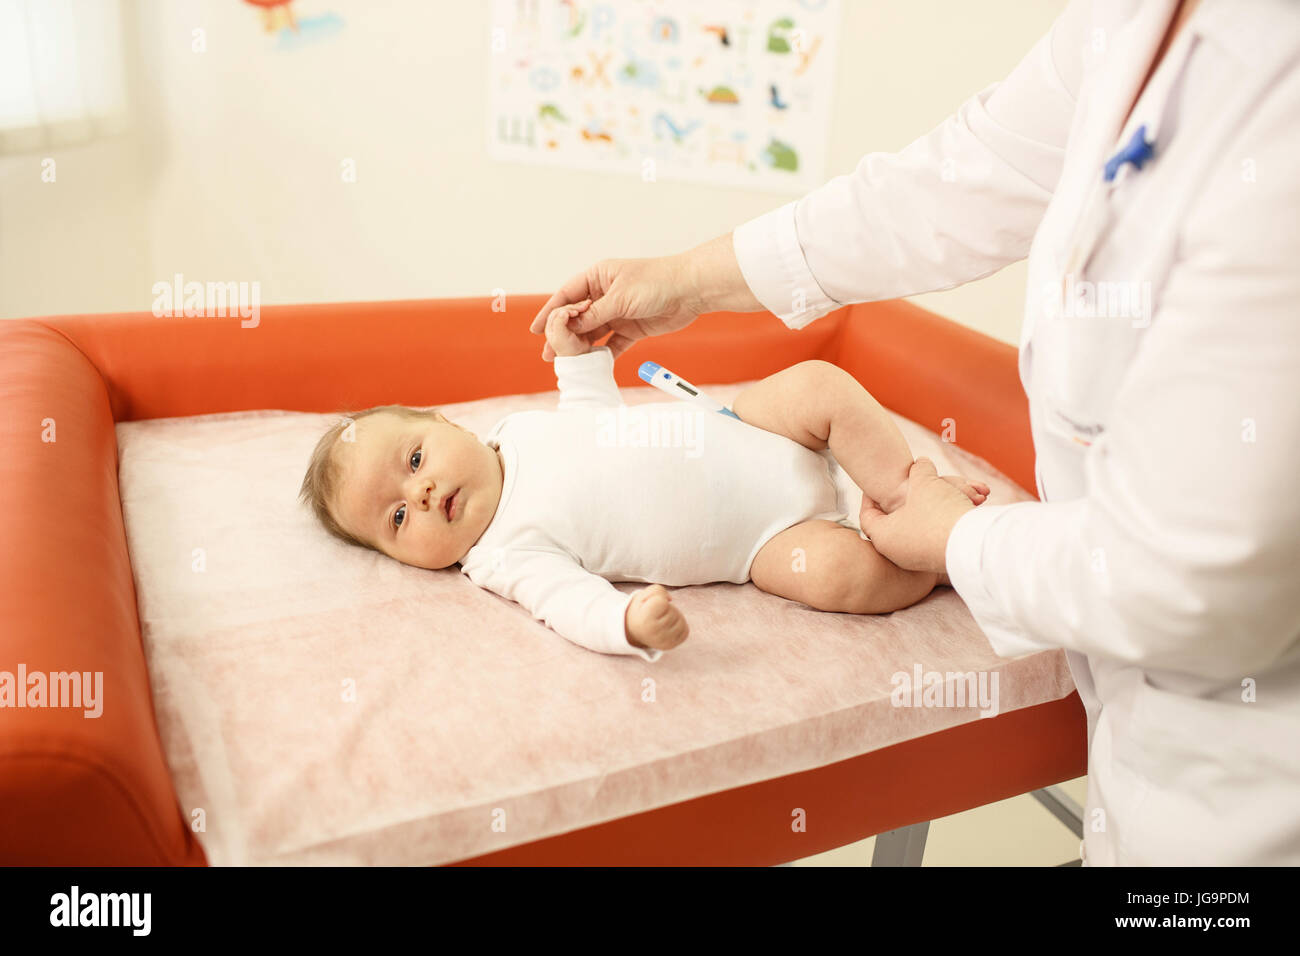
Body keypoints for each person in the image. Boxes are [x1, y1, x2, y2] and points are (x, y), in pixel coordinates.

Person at [528, 0, 1300, 865]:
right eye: (397, 516)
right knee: (827, 565)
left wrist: (956, 536)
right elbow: (959, 178)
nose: (422, 492)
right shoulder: (502, 549)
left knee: (817, 389)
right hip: (766, 543)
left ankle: (900, 495)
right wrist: (685, 283)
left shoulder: (1277, 110)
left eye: (409, 456)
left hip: (1255, 789)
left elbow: (1199, 578)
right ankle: (899, 527)